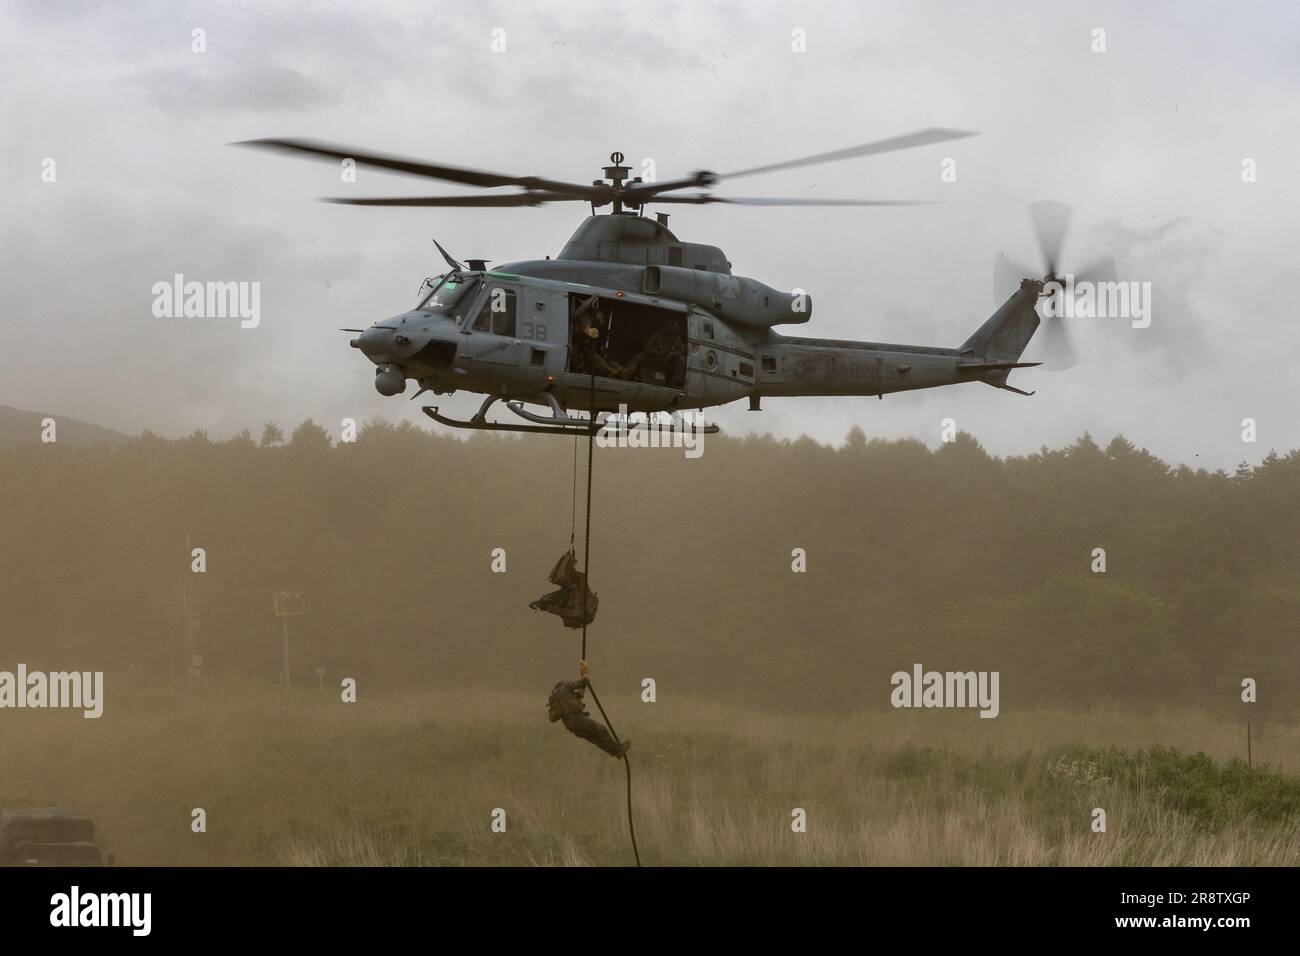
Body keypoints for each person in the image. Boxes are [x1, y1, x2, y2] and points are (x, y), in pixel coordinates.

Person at [548, 677, 630, 758]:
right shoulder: (566, 685)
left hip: (571, 727)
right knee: (601, 730)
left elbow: (552, 719)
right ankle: (617, 750)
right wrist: (585, 680)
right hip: (578, 720)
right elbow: (579, 683)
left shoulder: (553, 699)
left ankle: (616, 751)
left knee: (595, 739)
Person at [529, 549, 598, 628]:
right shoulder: (573, 586)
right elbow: (558, 596)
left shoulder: (579, 581)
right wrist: (541, 602)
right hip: (578, 613)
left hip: (581, 614)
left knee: (569, 594)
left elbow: (567, 611)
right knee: (566, 593)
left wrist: (545, 605)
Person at [571, 296, 622, 377]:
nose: (600, 322)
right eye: (599, 320)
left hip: (589, 349)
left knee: (603, 358)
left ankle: (620, 370)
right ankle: (611, 371)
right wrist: (589, 332)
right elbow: (585, 326)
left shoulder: (598, 330)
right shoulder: (585, 318)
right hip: (580, 349)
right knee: (592, 355)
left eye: (601, 321)